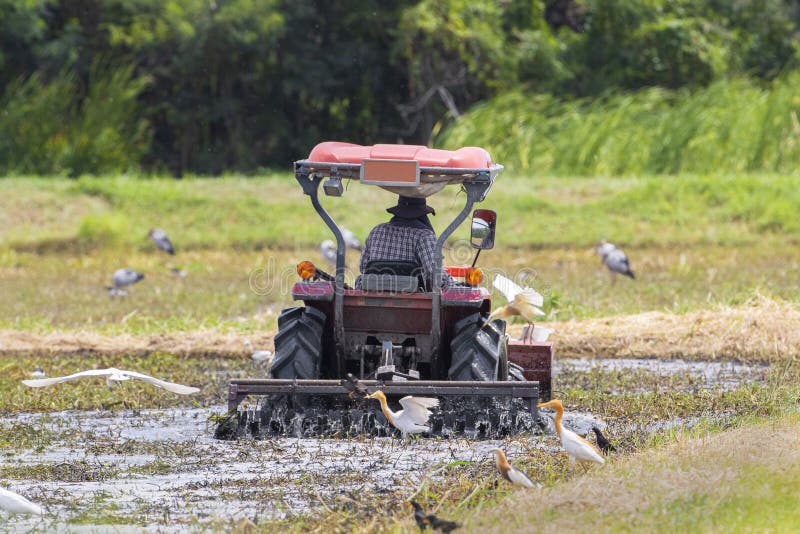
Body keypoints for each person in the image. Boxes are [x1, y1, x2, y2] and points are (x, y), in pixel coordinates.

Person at [357, 195, 452, 290]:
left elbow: (363, 267)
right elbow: (436, 277)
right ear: (422, 214)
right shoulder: (424, 236)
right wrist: (452, 283)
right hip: (411, 300)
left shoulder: (377, 231)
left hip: (373, 295)